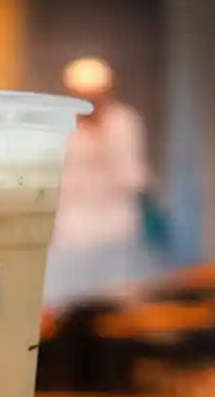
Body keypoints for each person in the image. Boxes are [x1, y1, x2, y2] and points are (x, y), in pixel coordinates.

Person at [44, 57, 154, 308]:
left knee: (117, 293)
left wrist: (101, 137)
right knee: (68, 295)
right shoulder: (58, 124)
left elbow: (133, 175)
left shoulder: (124, 122)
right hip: (72, 222)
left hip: (115, 220)